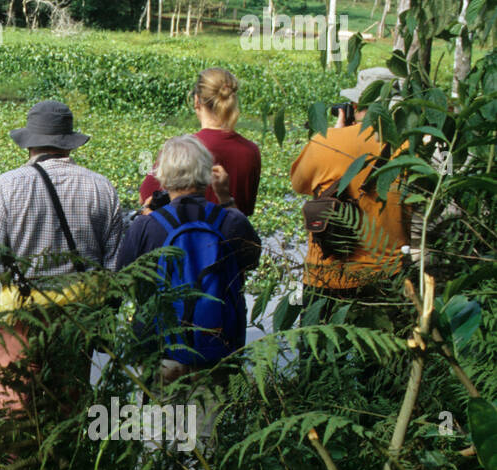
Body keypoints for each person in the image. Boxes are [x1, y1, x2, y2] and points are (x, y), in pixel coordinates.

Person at [0, 100, 125, 415]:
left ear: (29, 143)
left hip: (17, 324)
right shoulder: (102, 188)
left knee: (17, 419)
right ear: (69, 143)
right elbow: (114, 272)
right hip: (75, 323)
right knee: (67, 416)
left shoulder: (8, 185)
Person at [118, 135, 261, 384]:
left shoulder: (146, 226)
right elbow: (251, 260)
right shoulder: (231, 221)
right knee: (211, 422)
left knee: (163, 422)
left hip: (160, 349)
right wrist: (227, 200)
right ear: (207, 173)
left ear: (162, 176)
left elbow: (121, 281)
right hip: (218, 350)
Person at [289, 67, 408, 307]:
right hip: (388, 277)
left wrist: (335, 133)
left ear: (354, 106)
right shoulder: (406, 146)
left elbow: (298, 183)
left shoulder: (326, 142)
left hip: (327, 276)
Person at [140, 68, 261, 216]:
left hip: (184, 238)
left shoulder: (181, 149)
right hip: (232, 236)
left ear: (197, 100)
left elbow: (146, 198)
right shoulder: (251, 151)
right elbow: (245, 210)